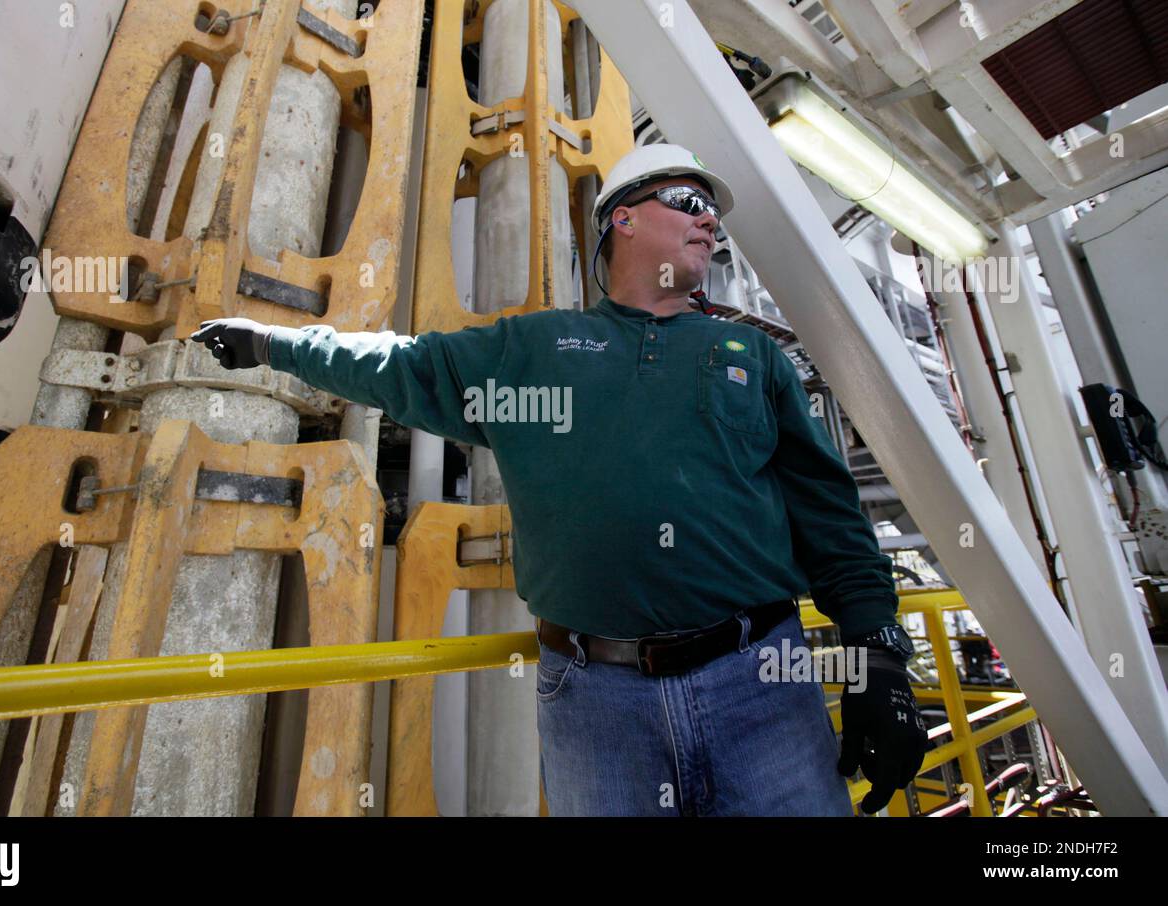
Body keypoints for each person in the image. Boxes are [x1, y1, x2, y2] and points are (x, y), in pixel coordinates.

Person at [192, 142, 931, 816]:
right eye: (689, 203)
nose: (710, 224)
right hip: (596, 704)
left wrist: (879, 662)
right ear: (624, 221)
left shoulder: (749, 353)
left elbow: (830, 516)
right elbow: (400, 366)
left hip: (761, 687)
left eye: (714, 214)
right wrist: (274, 342)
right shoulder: (536, 351)